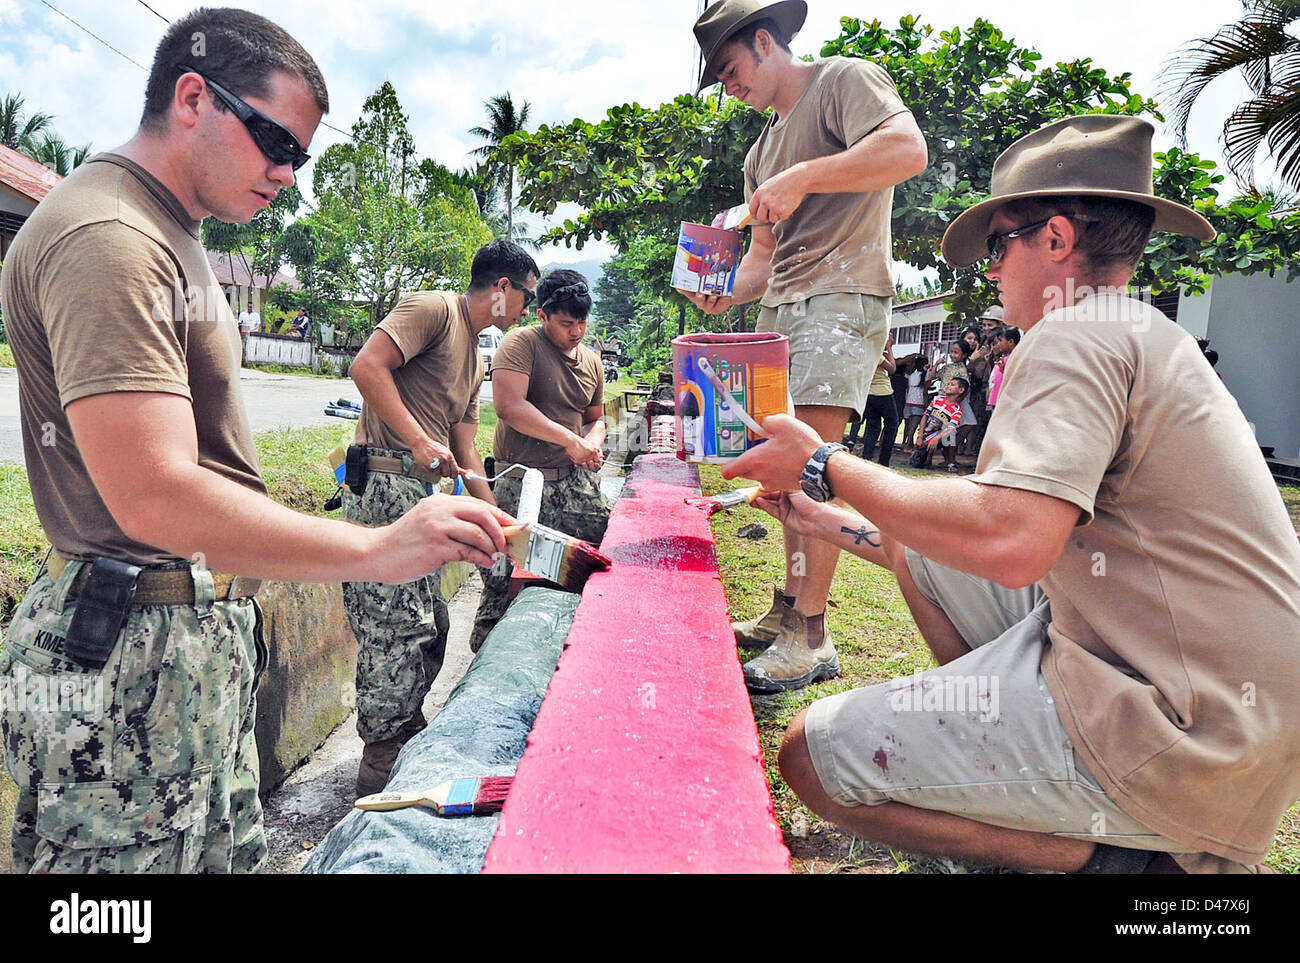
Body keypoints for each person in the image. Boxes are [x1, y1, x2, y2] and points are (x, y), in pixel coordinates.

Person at [0, 7, 512, 875]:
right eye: (274, 139)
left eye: (301, 155)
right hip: (129, 649)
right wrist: (376, 549)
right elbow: (154, 493)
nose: (286, 172)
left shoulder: (171, 231)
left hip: (183, 639)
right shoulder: (111, 240)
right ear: (193, 96)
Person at [721, 114, 1300, 873]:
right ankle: (1027, 781)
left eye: (999, 245)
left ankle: (1119, 860)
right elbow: (954, 542)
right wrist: (821, 518)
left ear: (1056, 240)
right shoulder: (1147, 334)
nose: (990, 272)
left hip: (1177, 727)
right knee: (928, 557)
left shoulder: (1074, 333)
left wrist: (824, 461)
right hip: (1241, 717)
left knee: (811, 758)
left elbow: (1009, 541)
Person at [686, 0, 928, 693]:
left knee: (814, 466)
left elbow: (907, 151)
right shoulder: (760, 150)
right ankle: (787, 609)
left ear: (766, 42)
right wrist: (726, 292)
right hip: (780, 309)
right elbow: (763, 254)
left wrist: (807, 176)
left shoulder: (845, 80)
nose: (729, 87)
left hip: (840, 297)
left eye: (731, 71)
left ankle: (812, 634)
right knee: (780, 472)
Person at [343, 238, 538, 795]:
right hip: (385, 485)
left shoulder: (477, 356)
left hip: (428, 497)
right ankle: (380, 759)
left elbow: (468, 452)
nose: (526, 310)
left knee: (432, 624)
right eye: (526, 296)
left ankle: (404, 734)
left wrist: (499, 523)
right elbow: (366, 366)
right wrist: (419, 441)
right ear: (502, 288)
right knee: (395, 628)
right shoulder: (433, 310)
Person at [468, 269, 613, 651]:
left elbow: (595, 418)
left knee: (602, 557)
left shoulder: (592, 361)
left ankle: (577, 647)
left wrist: (592, 443)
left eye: (582, 322)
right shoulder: (520, 345)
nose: (576, 331)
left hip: (572, 482)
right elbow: (510, 407)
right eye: (566, 323)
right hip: (521, 484)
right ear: (542, 315)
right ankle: (486, 660)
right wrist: (570, 440)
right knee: (502, 575)